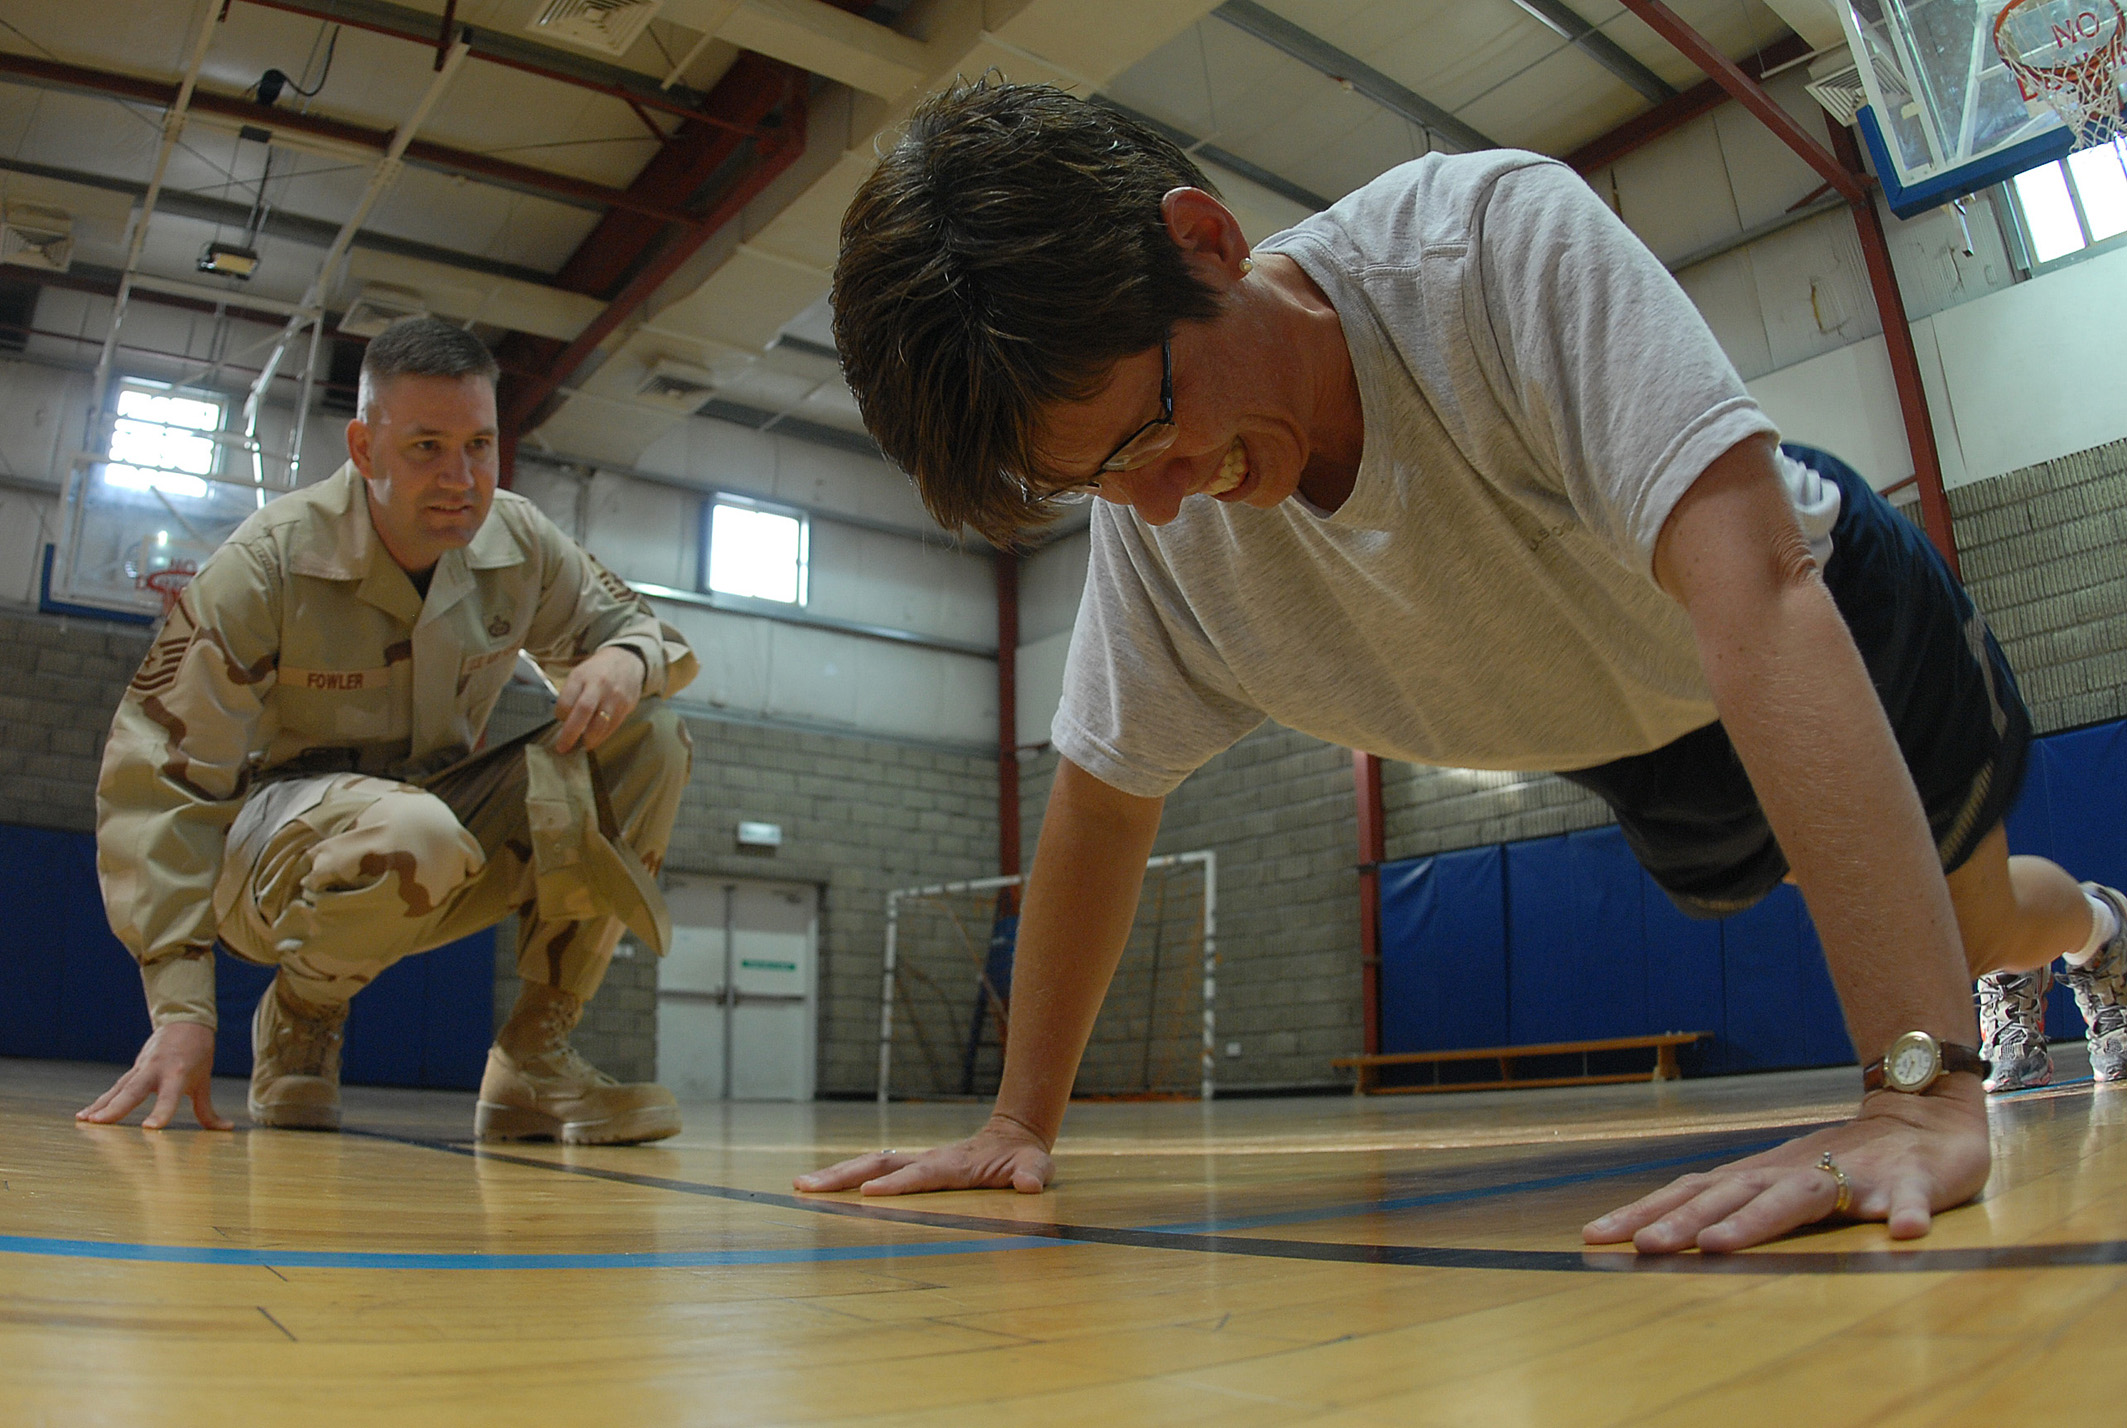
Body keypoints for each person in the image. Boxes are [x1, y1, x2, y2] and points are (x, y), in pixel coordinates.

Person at [794, 80, 2126, 1252]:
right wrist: (1018, 1120)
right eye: (1095, 479)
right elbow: (1098, 802)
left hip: (1826, 611)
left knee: (1963, 933)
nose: (1155, 502)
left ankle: (2096, 939)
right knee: (1912, 932)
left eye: (1152, 428)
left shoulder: (1483, 250)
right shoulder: (1161, 524)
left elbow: (1765, 600)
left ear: (1201, 241)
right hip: (1637, 731)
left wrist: (1913, 1089)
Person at [78, 316, 699, 1144]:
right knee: (413, 828)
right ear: (365, 448)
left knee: (649, 735)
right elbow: (157, 781)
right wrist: (182, 1010)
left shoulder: (516, 540)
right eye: (426, 448)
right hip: (269, 859)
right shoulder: (266, 565)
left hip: (433, 825)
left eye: (480, 445)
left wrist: (625, 658)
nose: (461, 478)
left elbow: (646, 632)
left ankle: (534, 1054)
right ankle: (302, 1014)